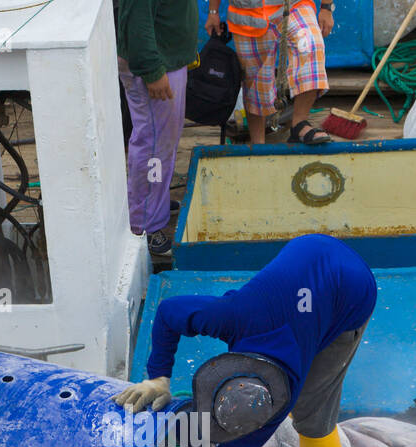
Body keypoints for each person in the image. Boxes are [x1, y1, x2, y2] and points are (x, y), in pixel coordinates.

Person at [114, 233, 375, 447]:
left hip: (353, 290)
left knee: (312, 416)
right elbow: (167, 312)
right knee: (302, 323)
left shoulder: (289, 390)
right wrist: (158, 378)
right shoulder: (233, 315)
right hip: (309, 250)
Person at [116, 0, 199, 258]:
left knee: (163, 143)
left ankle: (156, 205)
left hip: (167, 61)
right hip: (155, 66)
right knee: (153, 147)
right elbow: (138, 19)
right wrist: (152, 70)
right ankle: (144, 225)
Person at [207, 0, 335, 145]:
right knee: (255, 84)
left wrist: (326, 7)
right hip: (248, 17)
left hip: (294, 6)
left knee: (312, 47)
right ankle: (258, 144)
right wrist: (213, 12)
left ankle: (299, 125)